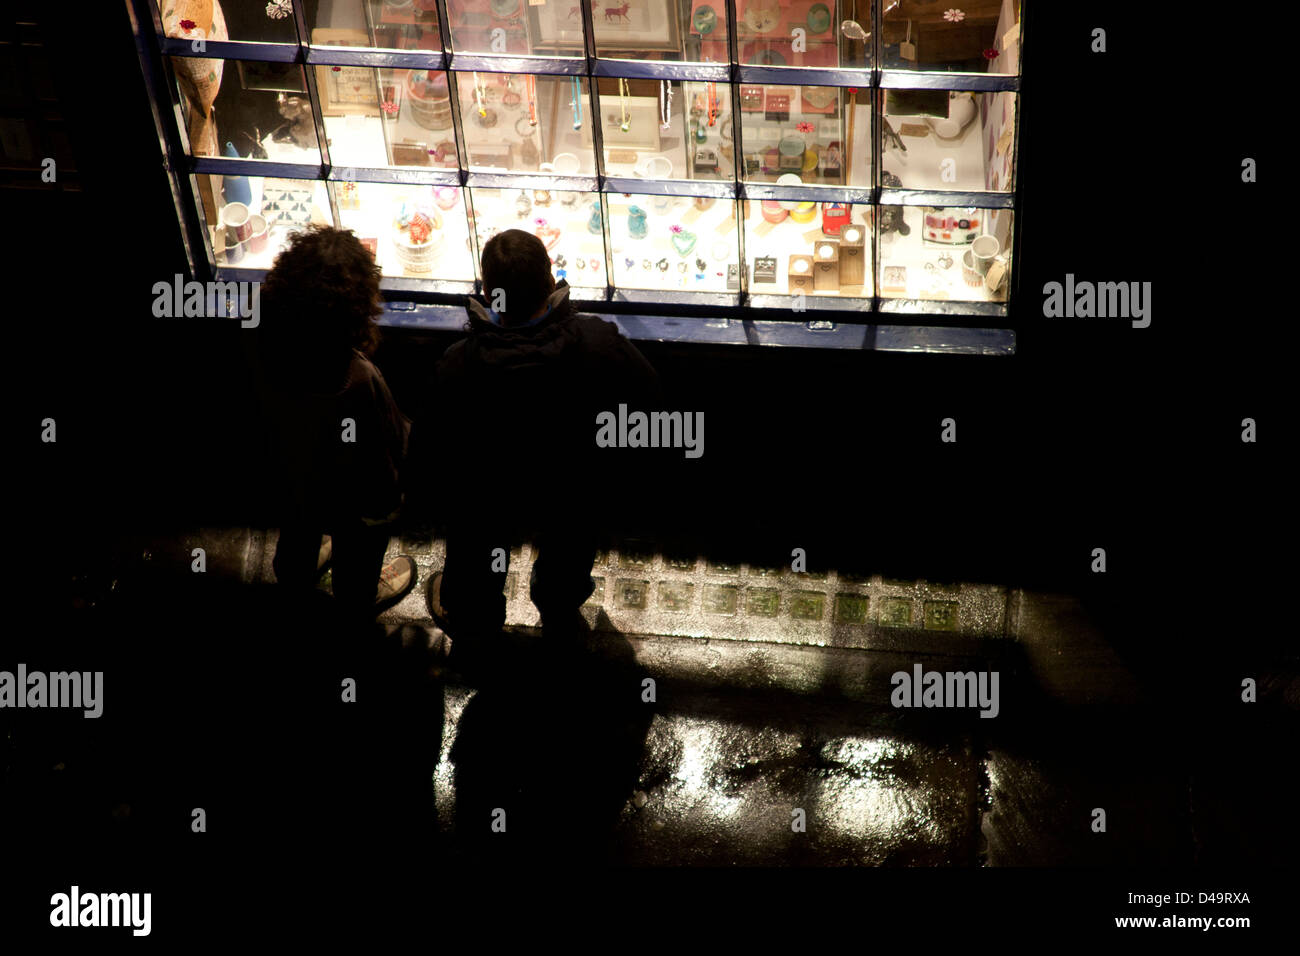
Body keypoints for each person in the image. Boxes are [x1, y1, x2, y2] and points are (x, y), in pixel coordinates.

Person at [408, 228, 659, 661]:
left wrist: (432, 500)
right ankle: (559, 615)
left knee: (478, 561)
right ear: (550, 280)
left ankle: (477, 629)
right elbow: (653, 407)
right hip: (571, 491)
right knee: (567, 554)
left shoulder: (458, 365)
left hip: (487, 498)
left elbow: (429, 448)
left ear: (489, 294)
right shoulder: (601, 345)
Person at [253, 225, 417, 624]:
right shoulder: (358, 379)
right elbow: (385, 456)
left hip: (290, 484)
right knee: (357, 560)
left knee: (296, 533)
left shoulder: (258, 347)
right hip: (353, 504)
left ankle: (295, 580)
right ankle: (353, 603)